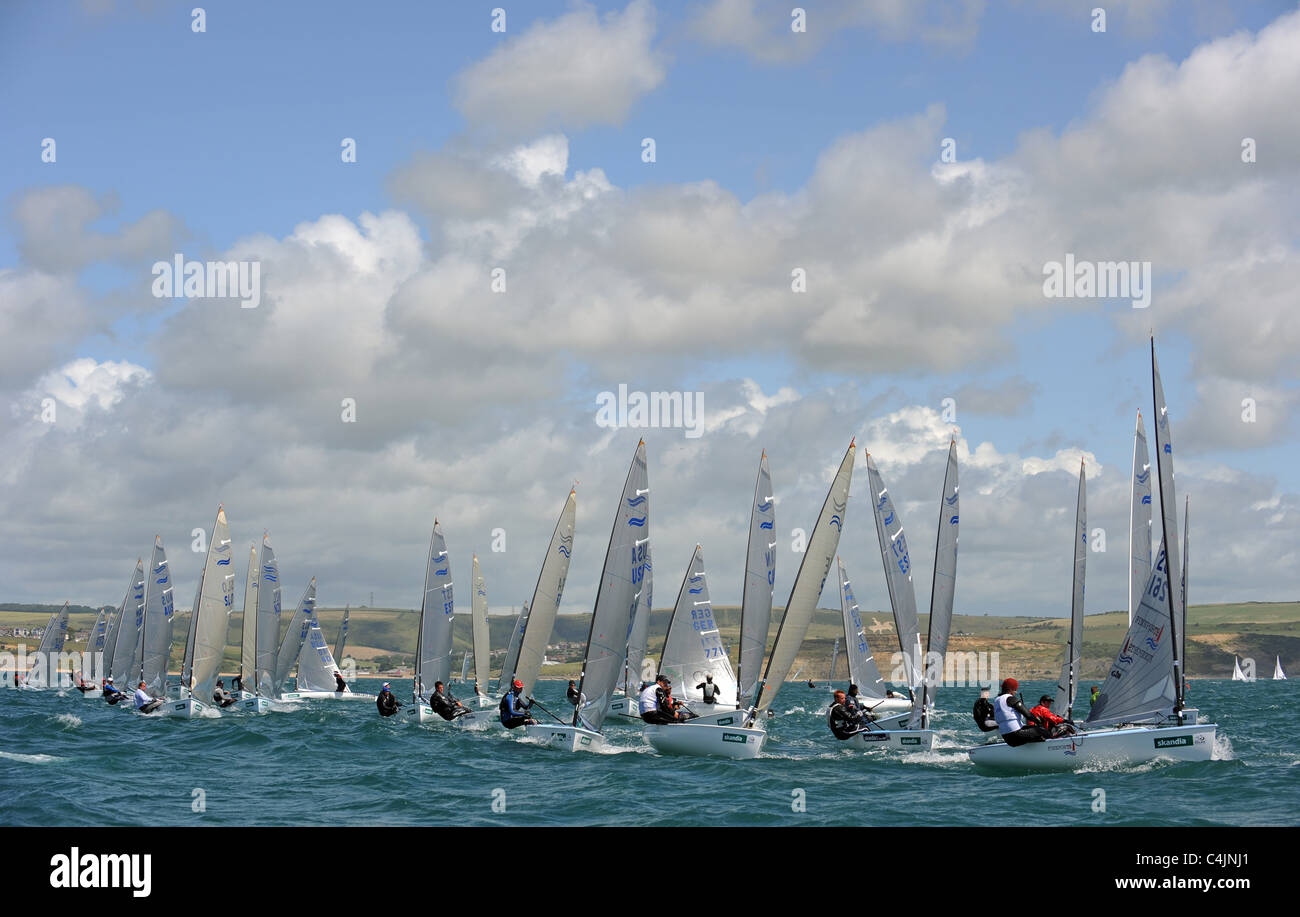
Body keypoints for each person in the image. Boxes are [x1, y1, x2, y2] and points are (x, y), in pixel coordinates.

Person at [993, 678, 1050, 746]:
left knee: (1029, 729)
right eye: (1015, 690)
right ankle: (1052, 744)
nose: (1015, 692)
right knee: (1041, 731)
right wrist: (1039, 722)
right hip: (1017, 735)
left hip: (1007, 739)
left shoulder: (996, 701)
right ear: (1011, 689)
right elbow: (1028, 715)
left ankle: (1036, 741)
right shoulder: (1010, 698)